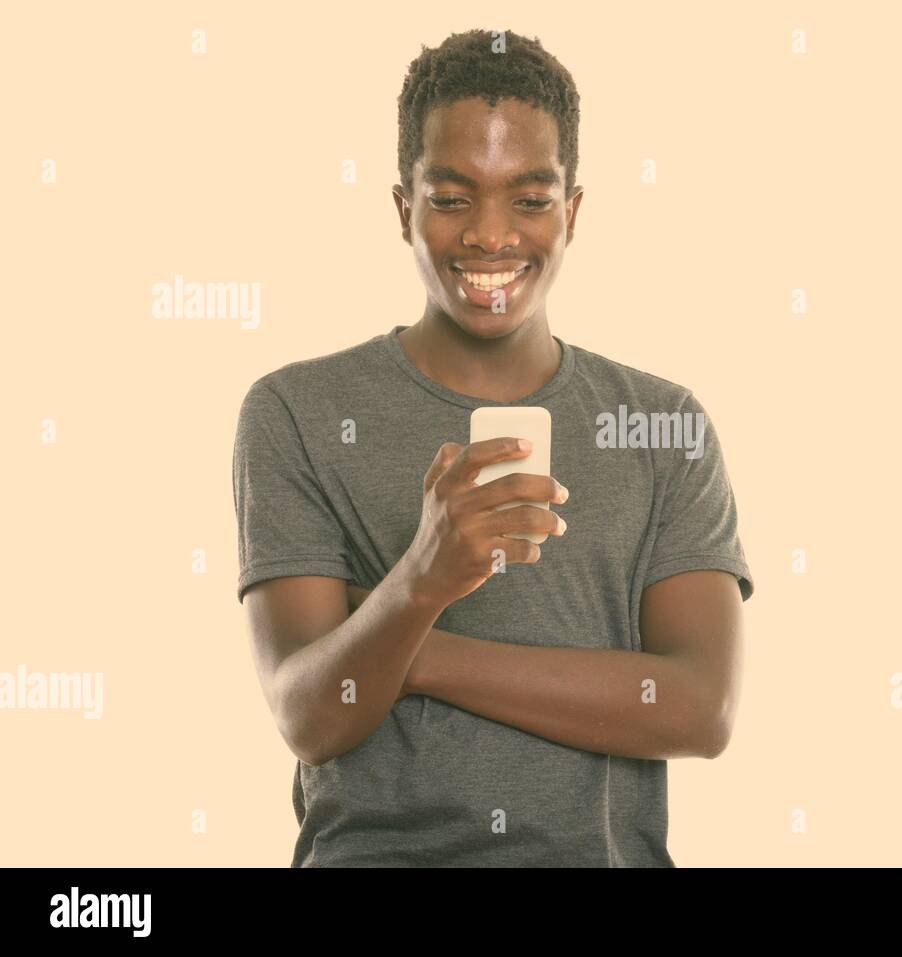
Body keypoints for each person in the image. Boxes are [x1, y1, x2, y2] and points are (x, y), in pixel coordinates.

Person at [232, 28, 754, 867]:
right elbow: (312, 714)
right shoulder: (295, 410)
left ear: (572, 211)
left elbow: (700, 709)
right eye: (451, 197)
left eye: (529, 197)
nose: (489, 235)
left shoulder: (665, 424)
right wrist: (421, 579)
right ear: (404, 207)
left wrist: (415, 647)